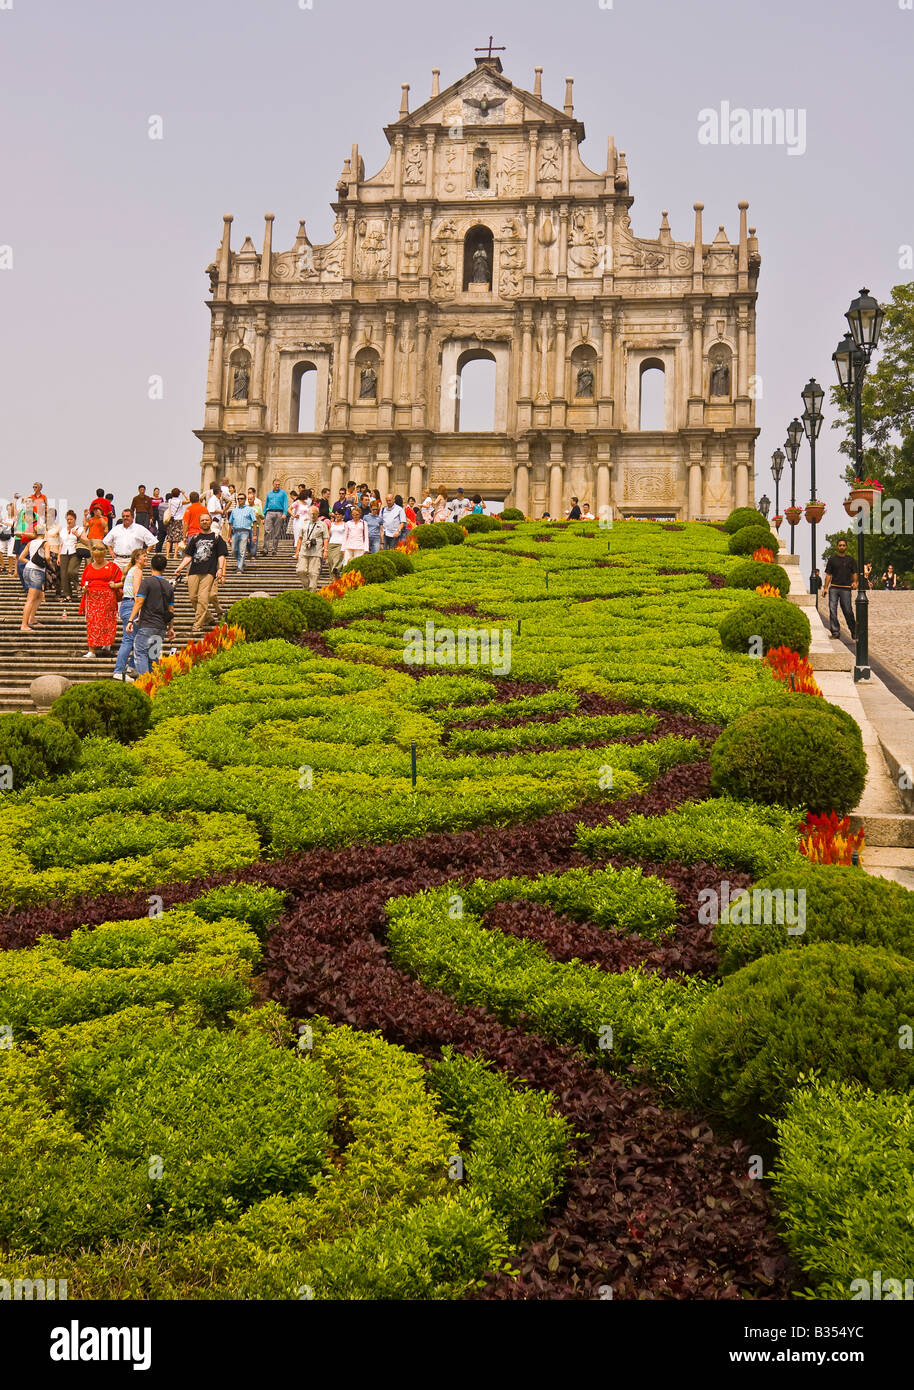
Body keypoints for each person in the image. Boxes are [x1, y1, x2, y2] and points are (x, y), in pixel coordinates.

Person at [172, 512, 227, 635]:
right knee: (193, 597)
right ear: (199, 522)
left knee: (203, 598)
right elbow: (189, 556)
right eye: (202, 520)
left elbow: (221, 556)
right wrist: (179, 568)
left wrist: (220, 570)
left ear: (211, 521)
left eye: (207, 520)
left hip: (209, 571)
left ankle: (197, 624)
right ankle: (208, 617)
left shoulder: (217, 537)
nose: (205, 522)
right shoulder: (196, 538)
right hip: (194, 571)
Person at [126, 553, 175, 675]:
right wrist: (171, 627)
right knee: (153, 656)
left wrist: (131, 620)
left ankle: (145, 682)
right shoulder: (169, 586)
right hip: (161, 627)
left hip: (147, 625)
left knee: (140, 652)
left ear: (151, 566)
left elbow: (139, 602)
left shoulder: (147, 582)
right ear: (164, 568)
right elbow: (171, 609)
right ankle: (154, 682)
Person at [79, 543, 122, 657]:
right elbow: (83, 582)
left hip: (107, 598)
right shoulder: (89, 567)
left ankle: (107, 642)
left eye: (100, 557)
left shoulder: (112, 566)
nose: (97, 559)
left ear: (104, 555)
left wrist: (115, 585)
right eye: (95, 557)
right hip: (92, 598)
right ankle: (91, 649)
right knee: (92, 623)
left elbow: (121, 580)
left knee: (107, 621)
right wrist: (84, 587)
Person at [112, 549, 148, 681]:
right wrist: (138, 610)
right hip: (131, 605)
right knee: (128, 640)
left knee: (136, 639)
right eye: (144, 556)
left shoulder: (132, 570)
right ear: (137, 558)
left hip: (126, 606)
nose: (146, 558)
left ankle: (129, 666)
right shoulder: (137, 571)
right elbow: (137, 591)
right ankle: (119, 670)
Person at [823, 538, 857, 640]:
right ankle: (835, 632)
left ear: (846, 547)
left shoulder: (850, 560)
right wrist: (825, 588)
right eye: (840, 545)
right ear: (837, 547)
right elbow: (828, 574)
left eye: (843, 545)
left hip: (846, 588)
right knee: (832, 609)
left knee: (848, 611)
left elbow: (854, 572)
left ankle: (854, 630)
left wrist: (855, 582)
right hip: (834, 588)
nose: (842, 547)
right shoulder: (832, 560)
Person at [19, 524, 49, 633]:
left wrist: (30, 563)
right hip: (36, 571)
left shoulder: (30, 543)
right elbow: (47, 557)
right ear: (44, 532)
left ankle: (31, 619)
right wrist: (49, 564)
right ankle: (24, 624)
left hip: (28, 570)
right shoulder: (45, 543)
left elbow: (21, 558)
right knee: (31, 599)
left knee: (40, 596)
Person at [295, 506, 329, 592]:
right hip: (304, 550)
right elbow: (300, 538)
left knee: (313, 573)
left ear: (318, 514)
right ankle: (307, 586)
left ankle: (312, 591)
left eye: (314, 514)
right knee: (300, 570)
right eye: (311, 513)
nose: (312, 515)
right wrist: (297, 551)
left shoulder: (322, 524)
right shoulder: (305, 523)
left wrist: (325, 550)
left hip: (316, 551)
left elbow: (325, 538)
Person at [228, 493, 257, 572]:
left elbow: (254, 522)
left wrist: (254, 535)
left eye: (241, 498)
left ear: (245, 500)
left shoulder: (249, 509)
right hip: (235, 532)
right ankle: (242, 563)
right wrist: (228, 536)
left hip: (245, 531)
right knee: (234, 551)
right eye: (238, 499)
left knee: (242, 550)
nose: (239, 500)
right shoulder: (234, 510)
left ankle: (239, 567)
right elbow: (230, 523)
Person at [262, 479, 289, 555]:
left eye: (278, 485)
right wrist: (263, 516)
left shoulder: (283, 493)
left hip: (279, 512)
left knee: (277, 532)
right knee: (267, 531)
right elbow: (266, 505)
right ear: (273, 484)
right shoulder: (269, 494)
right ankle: (265, 549)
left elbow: (285, 503)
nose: (277, 486)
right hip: (269, 512)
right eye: (276, 484)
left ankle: (274, 549)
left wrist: (284, 513)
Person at [164, 488, 187, 556]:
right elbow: (189, 500)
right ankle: (175, 555)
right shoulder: (180, 501)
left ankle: (167, 554)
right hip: (178, 520)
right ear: (178, 494)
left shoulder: (170, 501)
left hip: (171, 520)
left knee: (169, 538)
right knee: (177, 539)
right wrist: (184, 494)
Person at [327, 511, 347, 576]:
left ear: (342, 515)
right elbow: (329, 535)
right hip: (331, 544)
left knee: (337, 560)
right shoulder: (332, 524)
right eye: (336, 514)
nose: (337, 516)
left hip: (340, 544)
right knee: (331, 561)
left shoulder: (345, 524)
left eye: (339, 514)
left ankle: (336, 570)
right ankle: (334, 578)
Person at [246, 486, 264, 557]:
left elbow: (263, 516)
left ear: (254, 499)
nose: (249, 500)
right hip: (247, 526)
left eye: (251, 499)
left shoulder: (257, 508)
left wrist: (259, 514)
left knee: (254, 541)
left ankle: (253, 555)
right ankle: (249, 551)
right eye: (248, 499)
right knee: (246, 540)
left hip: (255, 526)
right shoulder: (246, 508)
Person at [0, 496, 16, 575]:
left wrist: (5, 523)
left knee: (10, 554)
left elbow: (14, 525)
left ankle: (10, 569)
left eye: (11, 508)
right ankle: (3, 566)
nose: (9, 509)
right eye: (8, 508)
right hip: (3, 535)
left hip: (11, 536)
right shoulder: (5, 516)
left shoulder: (15, 517)